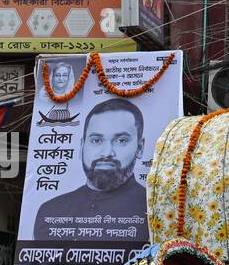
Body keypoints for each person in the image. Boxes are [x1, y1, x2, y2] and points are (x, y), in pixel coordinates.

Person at [33, 98, 148, 242]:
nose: (107, 153)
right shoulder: (51, 211)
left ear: (140, 147)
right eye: (96, 140)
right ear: (82, 146)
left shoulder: (153, 211)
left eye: (121, 140)